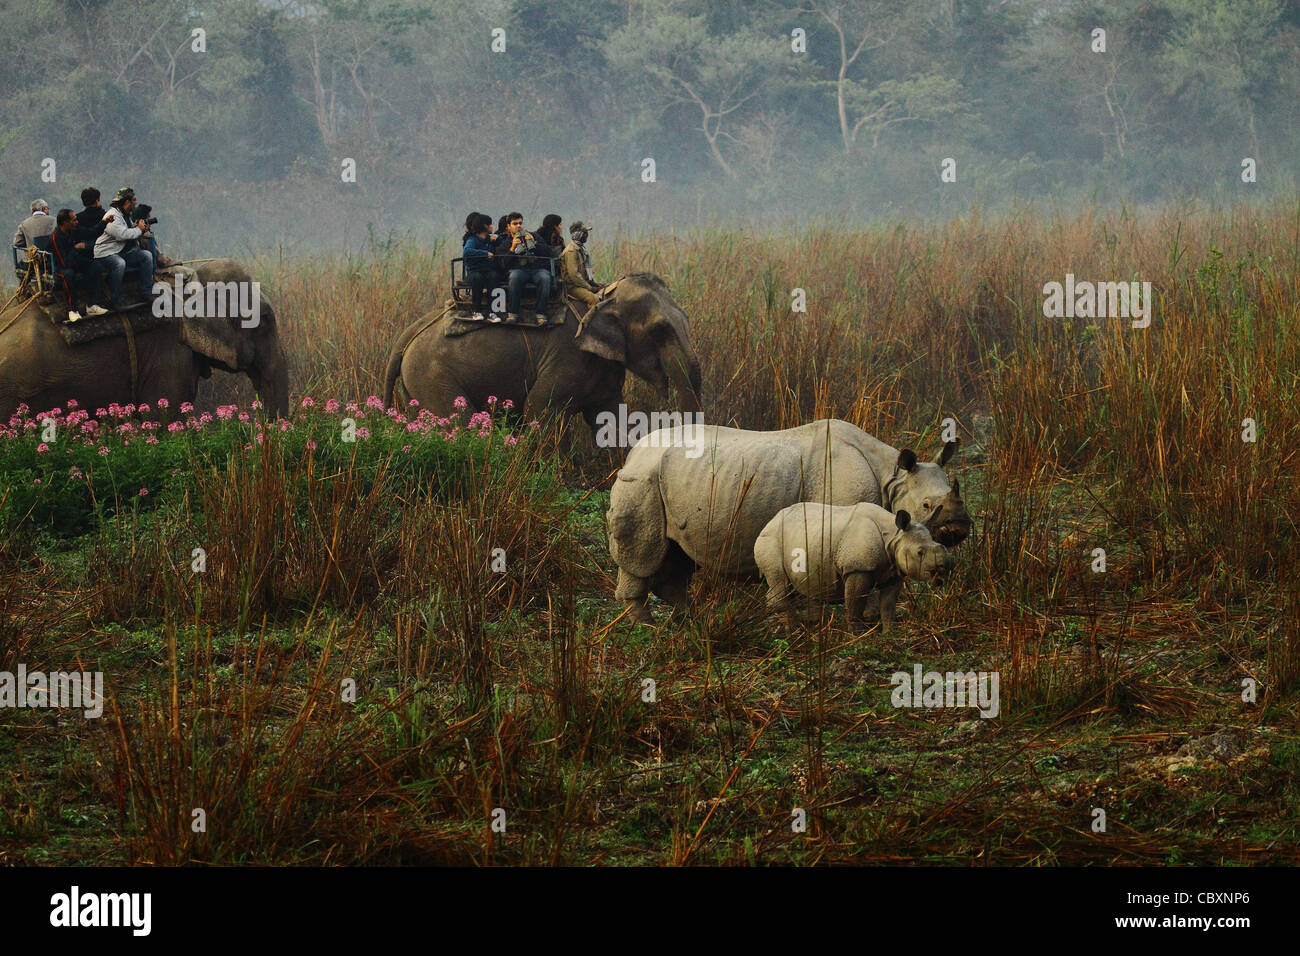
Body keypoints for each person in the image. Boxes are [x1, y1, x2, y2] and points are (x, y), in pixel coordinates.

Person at [93, 187, 155, 308]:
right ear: (127, 202)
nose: (135, 202)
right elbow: (123, 235)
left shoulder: (125, 215)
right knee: (119, 263)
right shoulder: (112, 215)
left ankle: (145, 292)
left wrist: (140, 229)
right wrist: (139, 229)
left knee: (147, 256)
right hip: (106, 253)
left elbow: (130, 232)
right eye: (134, 200)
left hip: (122, 251)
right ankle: (114, 298)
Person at [493, 212, 553, 324]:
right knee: (515, 277)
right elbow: (502, 265)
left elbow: (549, 253)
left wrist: (535, 243)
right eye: (515, 224)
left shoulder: (533, 236)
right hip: (519, 270)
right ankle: (513, 314)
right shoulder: (506, 243)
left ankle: (541, 315)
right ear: (508, 226)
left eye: (520, 223)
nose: (518, 226)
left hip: (537, 269)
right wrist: (512, 248)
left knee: (545, 277)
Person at [49, 209, 108, 318]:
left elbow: (92, 231)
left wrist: (104, 222)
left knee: (95, 266)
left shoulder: (74, 230)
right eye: (74, 220)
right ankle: (73, 310)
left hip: (75, 261)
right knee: (69, 274)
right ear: (65, 222)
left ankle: (92, 305)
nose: (77, 222)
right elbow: (63, 262)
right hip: (61, 267)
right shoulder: (56, 237)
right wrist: (75, 249)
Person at [559, 220, 602, 315]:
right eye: (584, 232)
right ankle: (589, 326)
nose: (586, 235)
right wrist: (589, 288)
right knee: (594, 299)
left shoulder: (581, 249)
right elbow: (574, 275)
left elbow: (585, 273)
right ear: (577, 234)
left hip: (581, 284)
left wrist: (593, 283)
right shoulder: (571, 251)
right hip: (572, 287)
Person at [462, 212, 498, 321]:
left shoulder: (490, 239)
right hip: (474, 272)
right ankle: (476, 311)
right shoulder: (472, 240)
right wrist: (485, 253)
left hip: (488, 271)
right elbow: (467, 251)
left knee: (494, 276)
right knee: (478, 278)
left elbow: (503, 243)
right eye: (490, 224)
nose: (492, 226)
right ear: (485, 226)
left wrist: (498, 238)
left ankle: (493, 312)